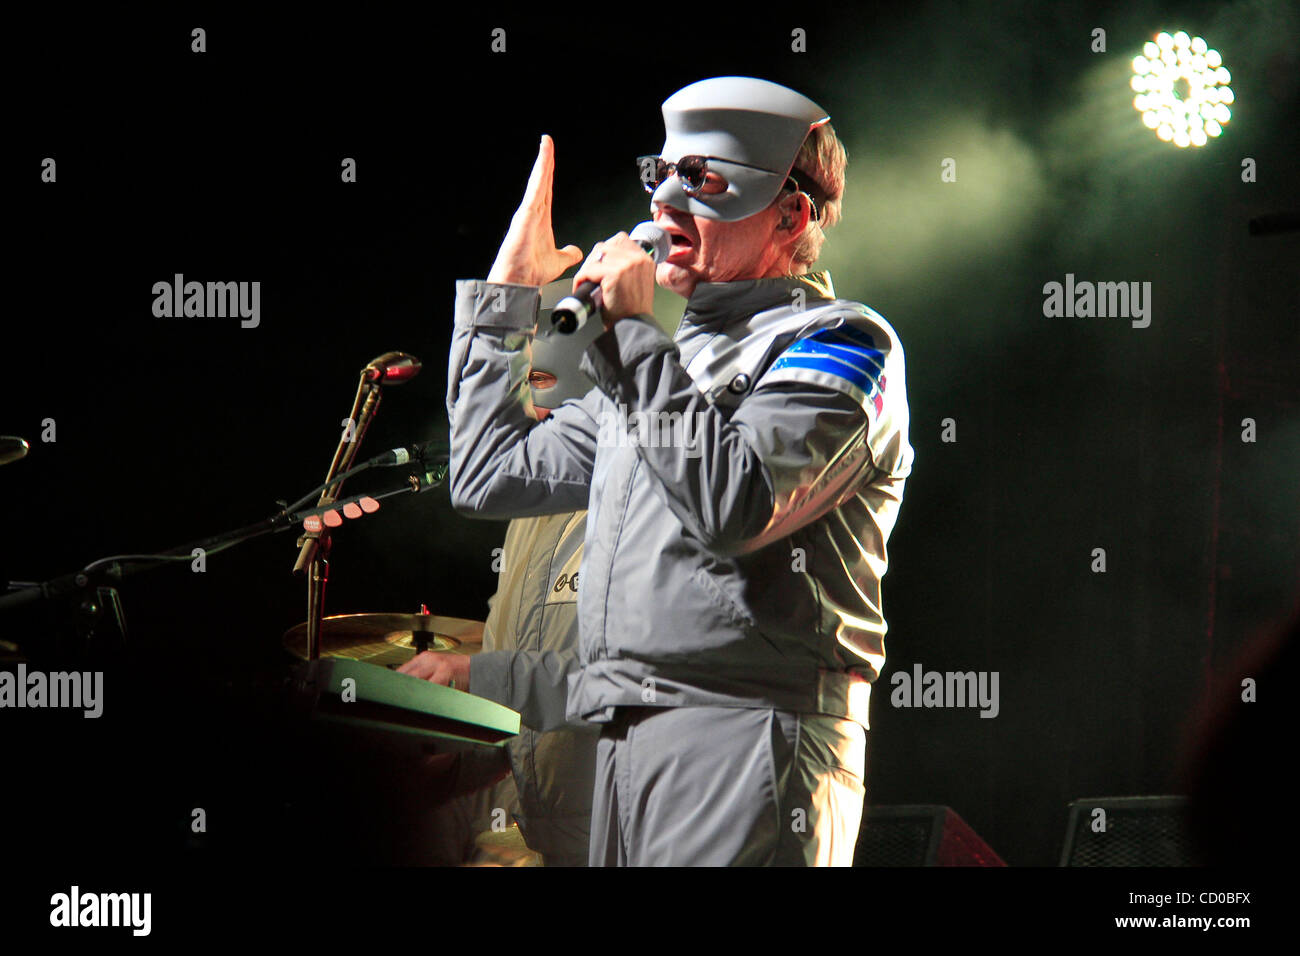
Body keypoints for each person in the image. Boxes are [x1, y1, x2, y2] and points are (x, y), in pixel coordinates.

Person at [438, 76, 914, 865]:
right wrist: (506, 298)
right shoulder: (661, 366)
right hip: (620, 742)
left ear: (791, 214)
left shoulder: (843, 343)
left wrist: (627, 332)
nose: (666, 203)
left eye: (701, 181)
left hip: (751, 740)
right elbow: (487, 475)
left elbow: (735, 502)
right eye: (660, 175)